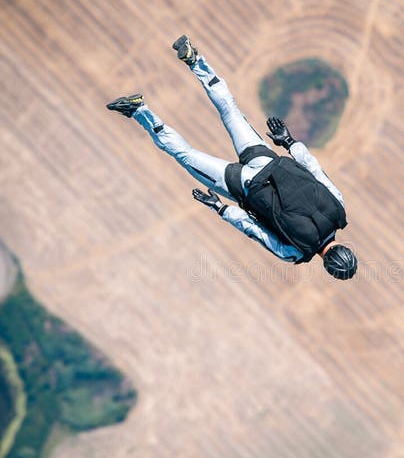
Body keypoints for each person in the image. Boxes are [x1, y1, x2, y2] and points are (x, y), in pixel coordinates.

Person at [106, 36, 358, 279]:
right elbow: (254, 230)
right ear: (326, 266)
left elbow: (313, 168)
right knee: (184, 154)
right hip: (244, 186)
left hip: (267, 160)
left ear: (345, 249)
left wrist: (289, 142)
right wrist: (221, 208)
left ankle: (194, 59)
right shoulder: (296, 253)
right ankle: (138, 109)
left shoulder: (338, 208)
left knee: (230, 111)